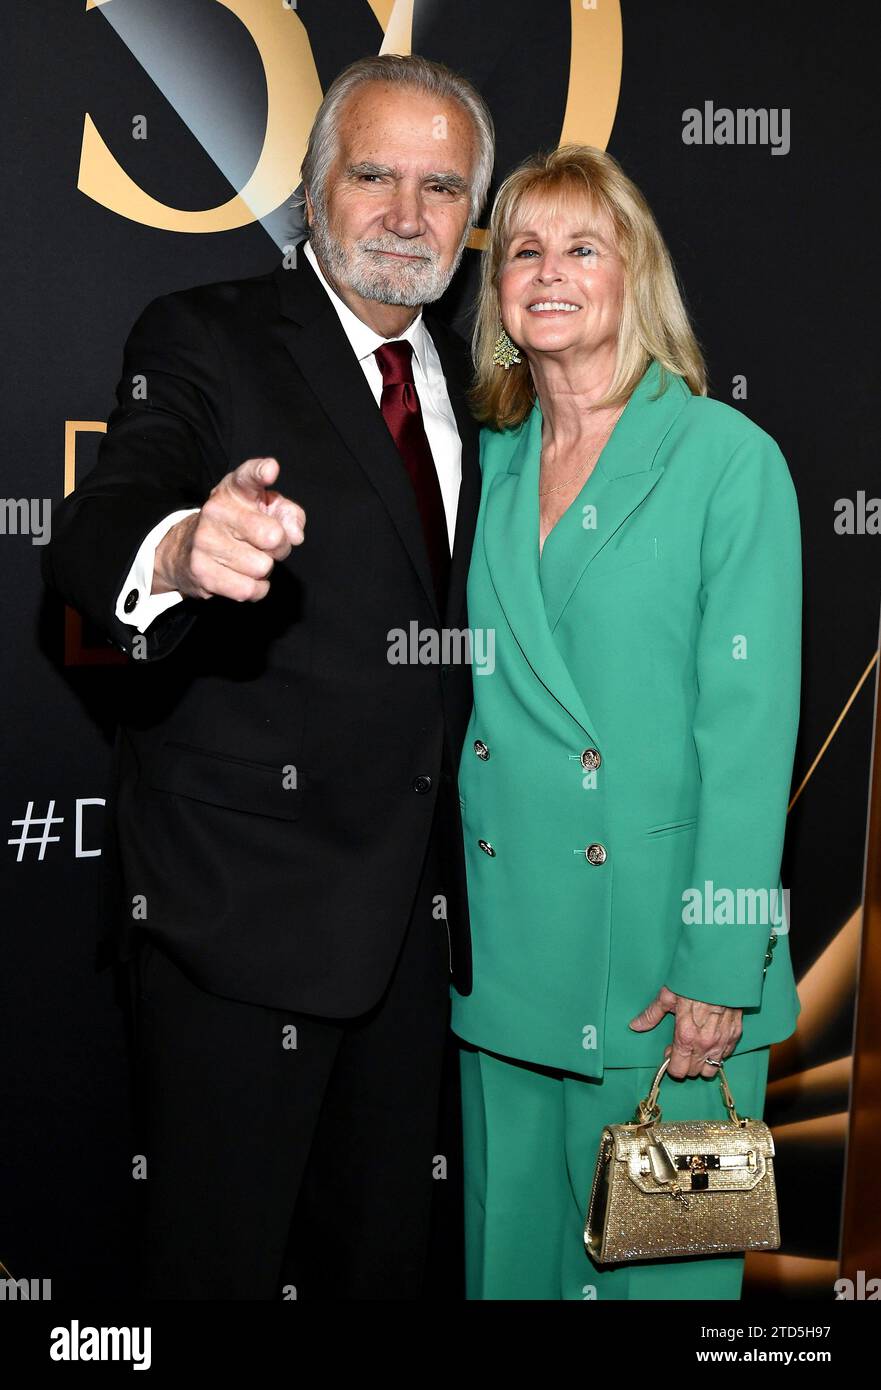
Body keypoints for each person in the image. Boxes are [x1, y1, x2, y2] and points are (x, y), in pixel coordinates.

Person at [41, 54, 494, 1300]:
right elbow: (106, 513)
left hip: (419, 932)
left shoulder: (484, 383)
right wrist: (182, 547)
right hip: (236, 924)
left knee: (381, 1268)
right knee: (214, 1271)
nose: (407, 214)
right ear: (311, 192)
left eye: (442, 186)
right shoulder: (204, 334)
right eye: (374, 176)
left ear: (472, 215)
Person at [452, 145, 802, 1300]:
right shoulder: (485, 463)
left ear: (632, 274)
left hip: (663, 979)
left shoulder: (724, 460)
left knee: (653, 1294)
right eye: (522, 250)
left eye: (580, 248)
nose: (547, 273)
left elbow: (749, 741)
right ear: (495, 288)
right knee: (508, 1273)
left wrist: (721, 966)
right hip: (506, 970)